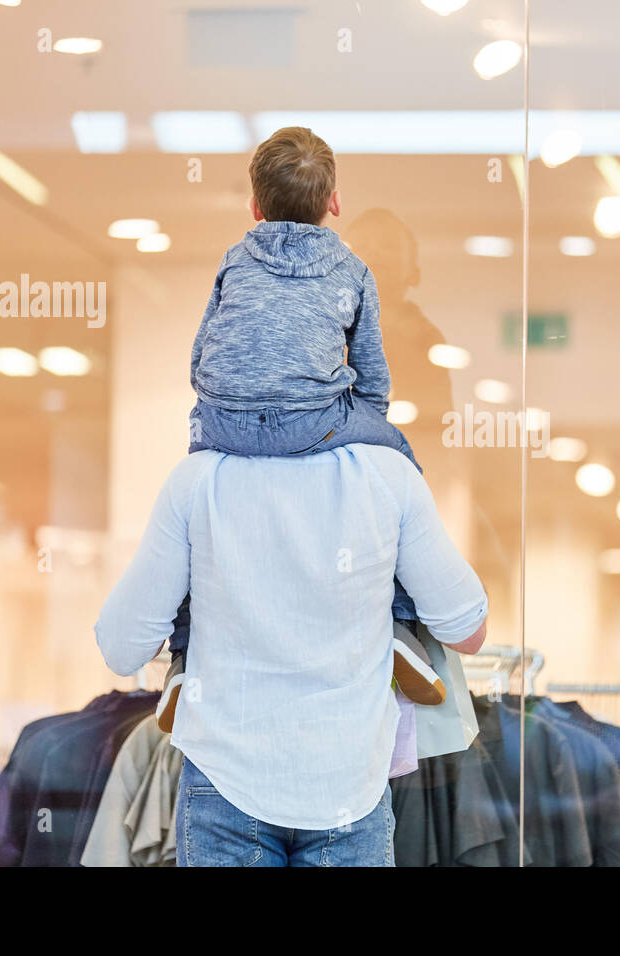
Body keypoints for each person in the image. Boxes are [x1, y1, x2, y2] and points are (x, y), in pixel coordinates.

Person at [161, 126, 443, 730]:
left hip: (224, 421)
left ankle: (182, 656)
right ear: (334, 201)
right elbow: (372, 377)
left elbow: (199, 356)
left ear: (254, 204)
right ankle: (400, 626)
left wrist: (224, 407)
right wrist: (364, 434)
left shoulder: (233, 260)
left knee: (188, 515)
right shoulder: (352, 269)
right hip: (313, 421)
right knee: (402, 464)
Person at [94, 443, 488, 866]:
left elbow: (123, 648)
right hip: (349, 782)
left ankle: (184, 661)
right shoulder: (387, 473)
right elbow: (467, 631)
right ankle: (397, 635)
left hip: (225, 778)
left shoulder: (198, 479)